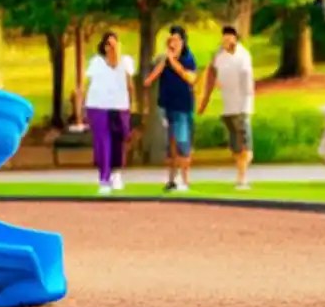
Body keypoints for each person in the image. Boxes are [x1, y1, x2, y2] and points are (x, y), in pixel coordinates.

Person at [199, 25, 255, 190]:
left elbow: (247, 82)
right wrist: (204, 101)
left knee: (244, 145)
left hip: (242, 106)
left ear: (235, 39)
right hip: (228, 106)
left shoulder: (243, 56)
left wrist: (246, 106)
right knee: (235, 146)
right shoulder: (220, 56)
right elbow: (211, 75)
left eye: (229, 37)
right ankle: (240, 176)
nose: (225, 40)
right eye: (223, 37)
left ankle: (242, 178)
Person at [145, 25, 198, 192]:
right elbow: (151, 79)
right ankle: (172, 179)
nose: (173, 43)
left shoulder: (188, 58)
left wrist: (173, 61)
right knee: (172, 145)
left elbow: (190, 78)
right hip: (167, 107)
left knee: (183, 143)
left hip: (182, 106)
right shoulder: (165, 59)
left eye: (176, 40)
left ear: (182, 42)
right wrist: (165, 60)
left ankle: (185, 180)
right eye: (171, 40)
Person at [82, 31, 135, 194]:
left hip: (119, 106)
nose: (111, 48)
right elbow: (88, 84)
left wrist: (133, 105)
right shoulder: (96, 62)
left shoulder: (125, 62)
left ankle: (116, 174)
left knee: (118, 140)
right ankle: (104, 178)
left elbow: (130, 84)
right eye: (108, 45)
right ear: (103, 47)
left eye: (114, 44)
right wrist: (82, 107)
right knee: (102, 142)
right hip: (98, 106)